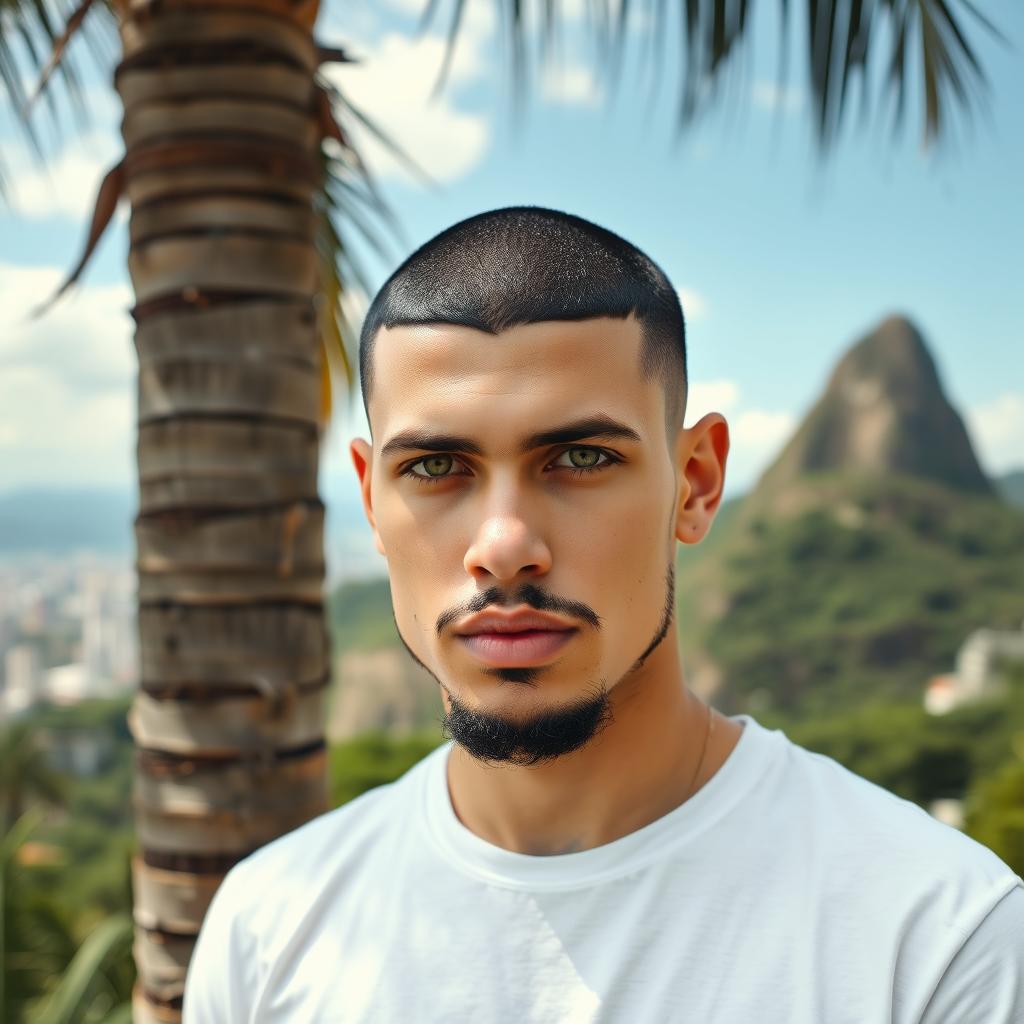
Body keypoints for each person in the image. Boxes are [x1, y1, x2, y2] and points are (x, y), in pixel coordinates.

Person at [183, 206, 1023, 1022]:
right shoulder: (269, 932)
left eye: (581, 458)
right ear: (371, 500)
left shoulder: (938, 941)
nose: (504, 545)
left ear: (695, 483)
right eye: (437, 465)